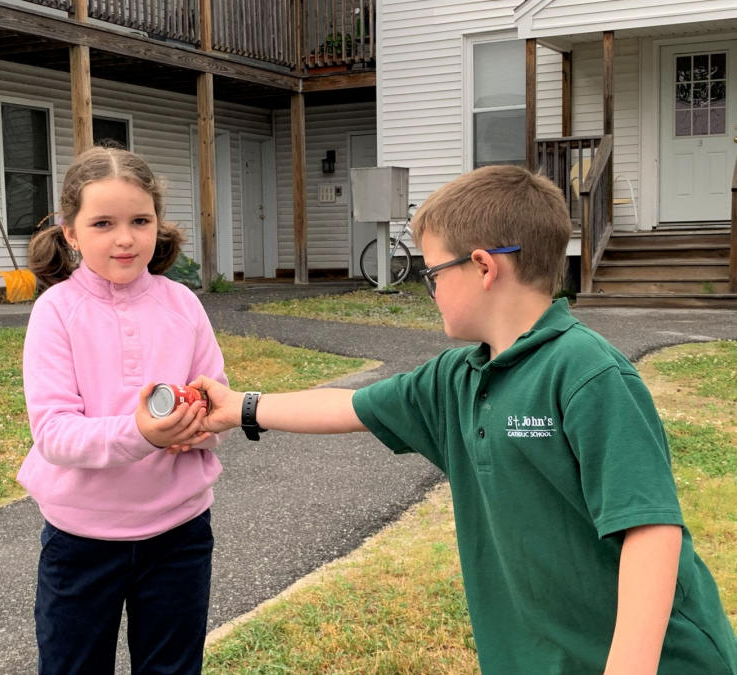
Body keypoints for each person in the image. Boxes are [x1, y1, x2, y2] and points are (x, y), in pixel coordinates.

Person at [189, 166, 737, 675]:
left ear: (482, 267)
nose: (430, 292)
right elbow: (348, 406)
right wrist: (241, 407)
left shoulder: (586, 373)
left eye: (432, 275)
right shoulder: (458, 377)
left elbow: (651, 530)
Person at [19, 146, 230, 675]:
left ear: (158, 223)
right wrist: (143, 433)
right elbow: (54, 433)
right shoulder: (56, 312)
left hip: (179, 534)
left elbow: (215, 400)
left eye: (141, 220)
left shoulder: (183, 305)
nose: (125, 238)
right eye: (103, 223)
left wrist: (196, 425)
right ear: (70, 232)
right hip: (81, 540)